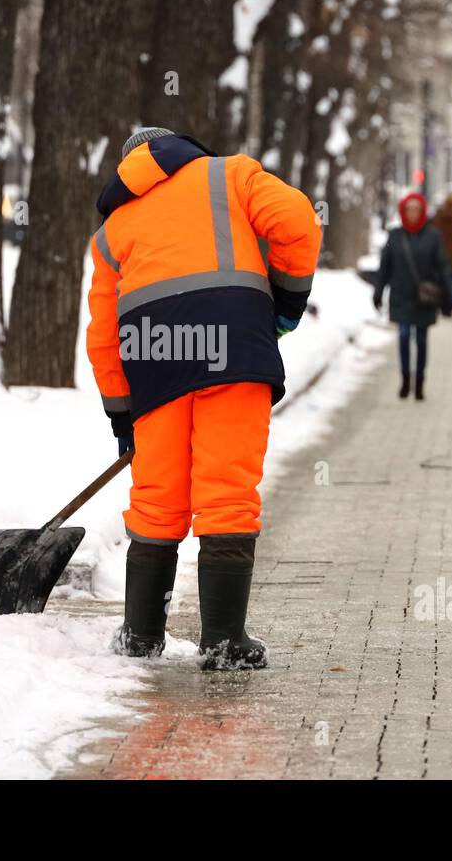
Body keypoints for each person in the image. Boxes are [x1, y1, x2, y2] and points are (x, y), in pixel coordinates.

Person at [86, 126, 321, 670]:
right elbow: (297, 221)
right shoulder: (230, 173)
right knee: (227, 488)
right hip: (234, 347)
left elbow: (102, 336)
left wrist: (123, 417)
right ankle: (223, 642)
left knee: (157, 495)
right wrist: (286, 300)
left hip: (154, 357)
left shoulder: (112, 229)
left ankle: (142, 636)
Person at [372, 191, 452, 401]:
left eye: (416, 209)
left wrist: (451, 294)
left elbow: (443, 266)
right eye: (409, 209)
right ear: (403, 211)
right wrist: (378, 292)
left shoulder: (433, 236)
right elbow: (384, 267)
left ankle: (419, 382)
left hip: (424, 298)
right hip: (400, 296)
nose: (412, 213)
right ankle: (405, 380)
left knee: (420, 339)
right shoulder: (394, 235)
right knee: (402, 337)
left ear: (422, 212)